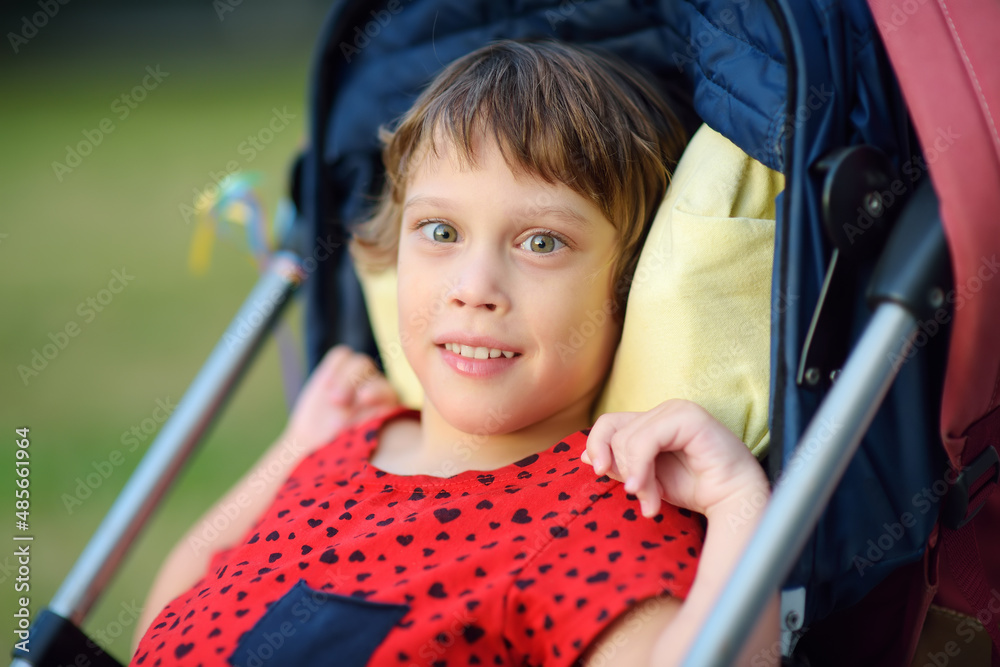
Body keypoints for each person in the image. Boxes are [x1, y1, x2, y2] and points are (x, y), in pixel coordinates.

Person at [131, 40, 777, 666]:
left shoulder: (604, 508)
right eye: (440, 231)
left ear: (628, 286)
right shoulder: (341, 450)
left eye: (542, 243)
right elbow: (170, 618)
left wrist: (737, 502)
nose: (474, 289)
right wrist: (289, 453)